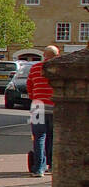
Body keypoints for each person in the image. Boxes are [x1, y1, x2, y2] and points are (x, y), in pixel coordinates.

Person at [26, 44, 58, 177]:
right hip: (55, 106)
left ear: (44, 55)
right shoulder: (60, 69)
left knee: (39, 137)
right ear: (57, 56)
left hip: (38, 106)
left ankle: (39, 168)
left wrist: (35, 98)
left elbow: (29, 86)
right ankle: (51, 165)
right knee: (53, 137)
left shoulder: (34, 68)